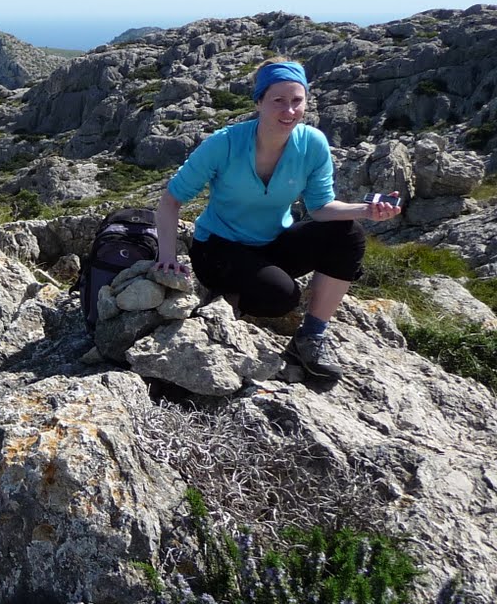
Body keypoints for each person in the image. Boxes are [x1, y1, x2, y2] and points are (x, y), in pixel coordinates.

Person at [152, 57, 402, 380]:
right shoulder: (224, 144)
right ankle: (227, 297)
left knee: (349, 233)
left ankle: (311, 336)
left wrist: (365, 210)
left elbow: (321, 208)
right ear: (259, 102)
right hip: (217, 248)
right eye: (278, 101)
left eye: (297, 101)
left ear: (306, 102)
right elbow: (171, 200)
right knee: (282, 297)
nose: (289, 111)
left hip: (272, 243)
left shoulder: (312, 144)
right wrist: (167, 258)